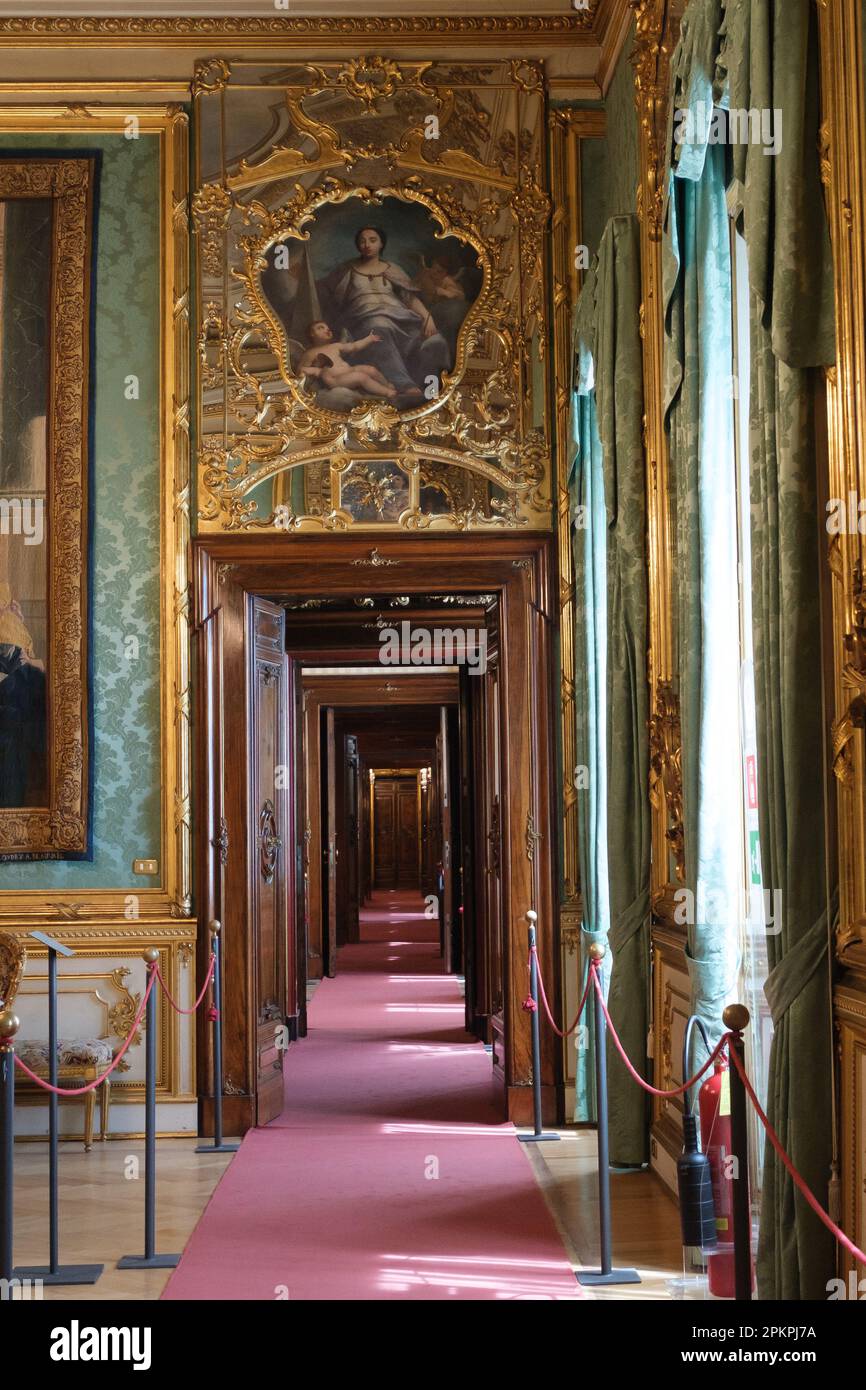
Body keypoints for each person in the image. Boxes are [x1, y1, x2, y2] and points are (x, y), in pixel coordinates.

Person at [317, 225, 450, 402]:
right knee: (379, 327)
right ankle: (404, 385)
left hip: (403, 319)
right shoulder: (347, 269)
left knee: (435, 341)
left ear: (381, 244)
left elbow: (408, 298)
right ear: (357, 245)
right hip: (364, 320)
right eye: (362, 241)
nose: (367, 245)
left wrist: (427, 317)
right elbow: (322, 290)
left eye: (372, 240)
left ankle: (431, 389)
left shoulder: (392, 268)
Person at [299, 321, 398, 400]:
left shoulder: (335, 346)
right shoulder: (310, 353)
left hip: (349, 370)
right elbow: (301, 369)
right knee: (361, 377)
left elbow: (354, 346)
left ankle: (388, 385)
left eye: (327, 328)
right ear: (312, 334)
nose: (327, 329)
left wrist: (368, 339)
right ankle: (386, 392)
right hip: (336, 380)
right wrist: (317, 371)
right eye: (321, 328)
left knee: (370, 369)